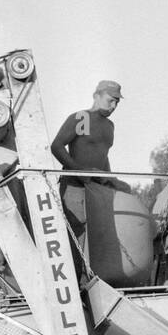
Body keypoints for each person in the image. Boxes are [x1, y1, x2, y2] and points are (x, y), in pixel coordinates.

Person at [51, 80, 122, 236]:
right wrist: (77, 171)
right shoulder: (81, 117)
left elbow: (103, 155)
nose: (114, 106)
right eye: (110, 101)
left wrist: (110, 179)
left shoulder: (110, 126)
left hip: (97, 187)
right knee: (76, 231)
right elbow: (57, 146)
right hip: (74, 186)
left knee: (100, 233)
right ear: (96, 96)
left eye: (117, 103)